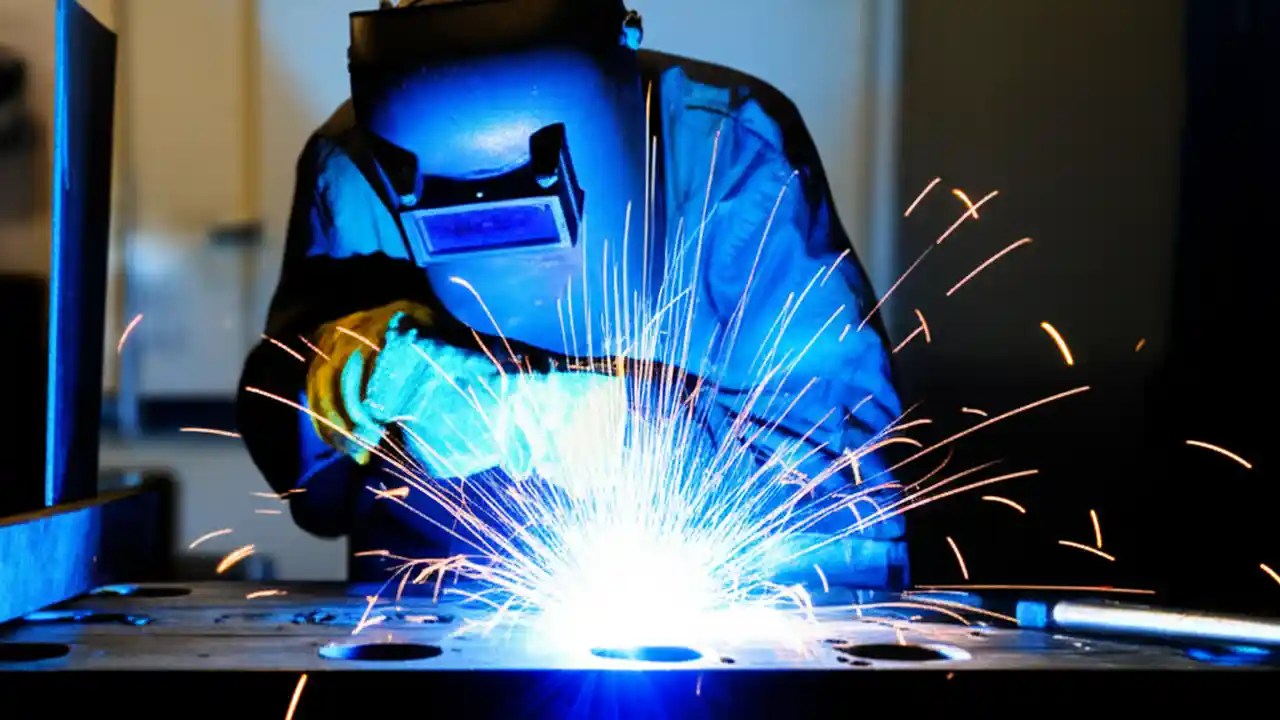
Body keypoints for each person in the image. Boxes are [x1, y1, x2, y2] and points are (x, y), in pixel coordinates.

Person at [237, 0, 908, 592]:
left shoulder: (726, 151)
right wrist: (327, 387)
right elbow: (314, 496)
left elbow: (851, 501)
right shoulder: (354, 170)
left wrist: (561, 423)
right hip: (430, 635)